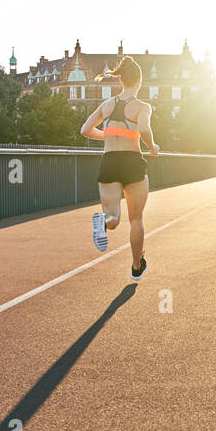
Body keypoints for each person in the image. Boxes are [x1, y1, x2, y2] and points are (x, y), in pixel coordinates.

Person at [80, 56, 159, 281]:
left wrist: (106, 134)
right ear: (139, 81)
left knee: (114, 218)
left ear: (121, 80)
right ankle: (136, 267)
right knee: (136, 219)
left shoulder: (107, 104)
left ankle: (103, 223)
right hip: (132, 161)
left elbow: (85, 129)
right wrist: (152, 147)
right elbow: (143, 128)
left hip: (110, 161)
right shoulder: (142, 106)